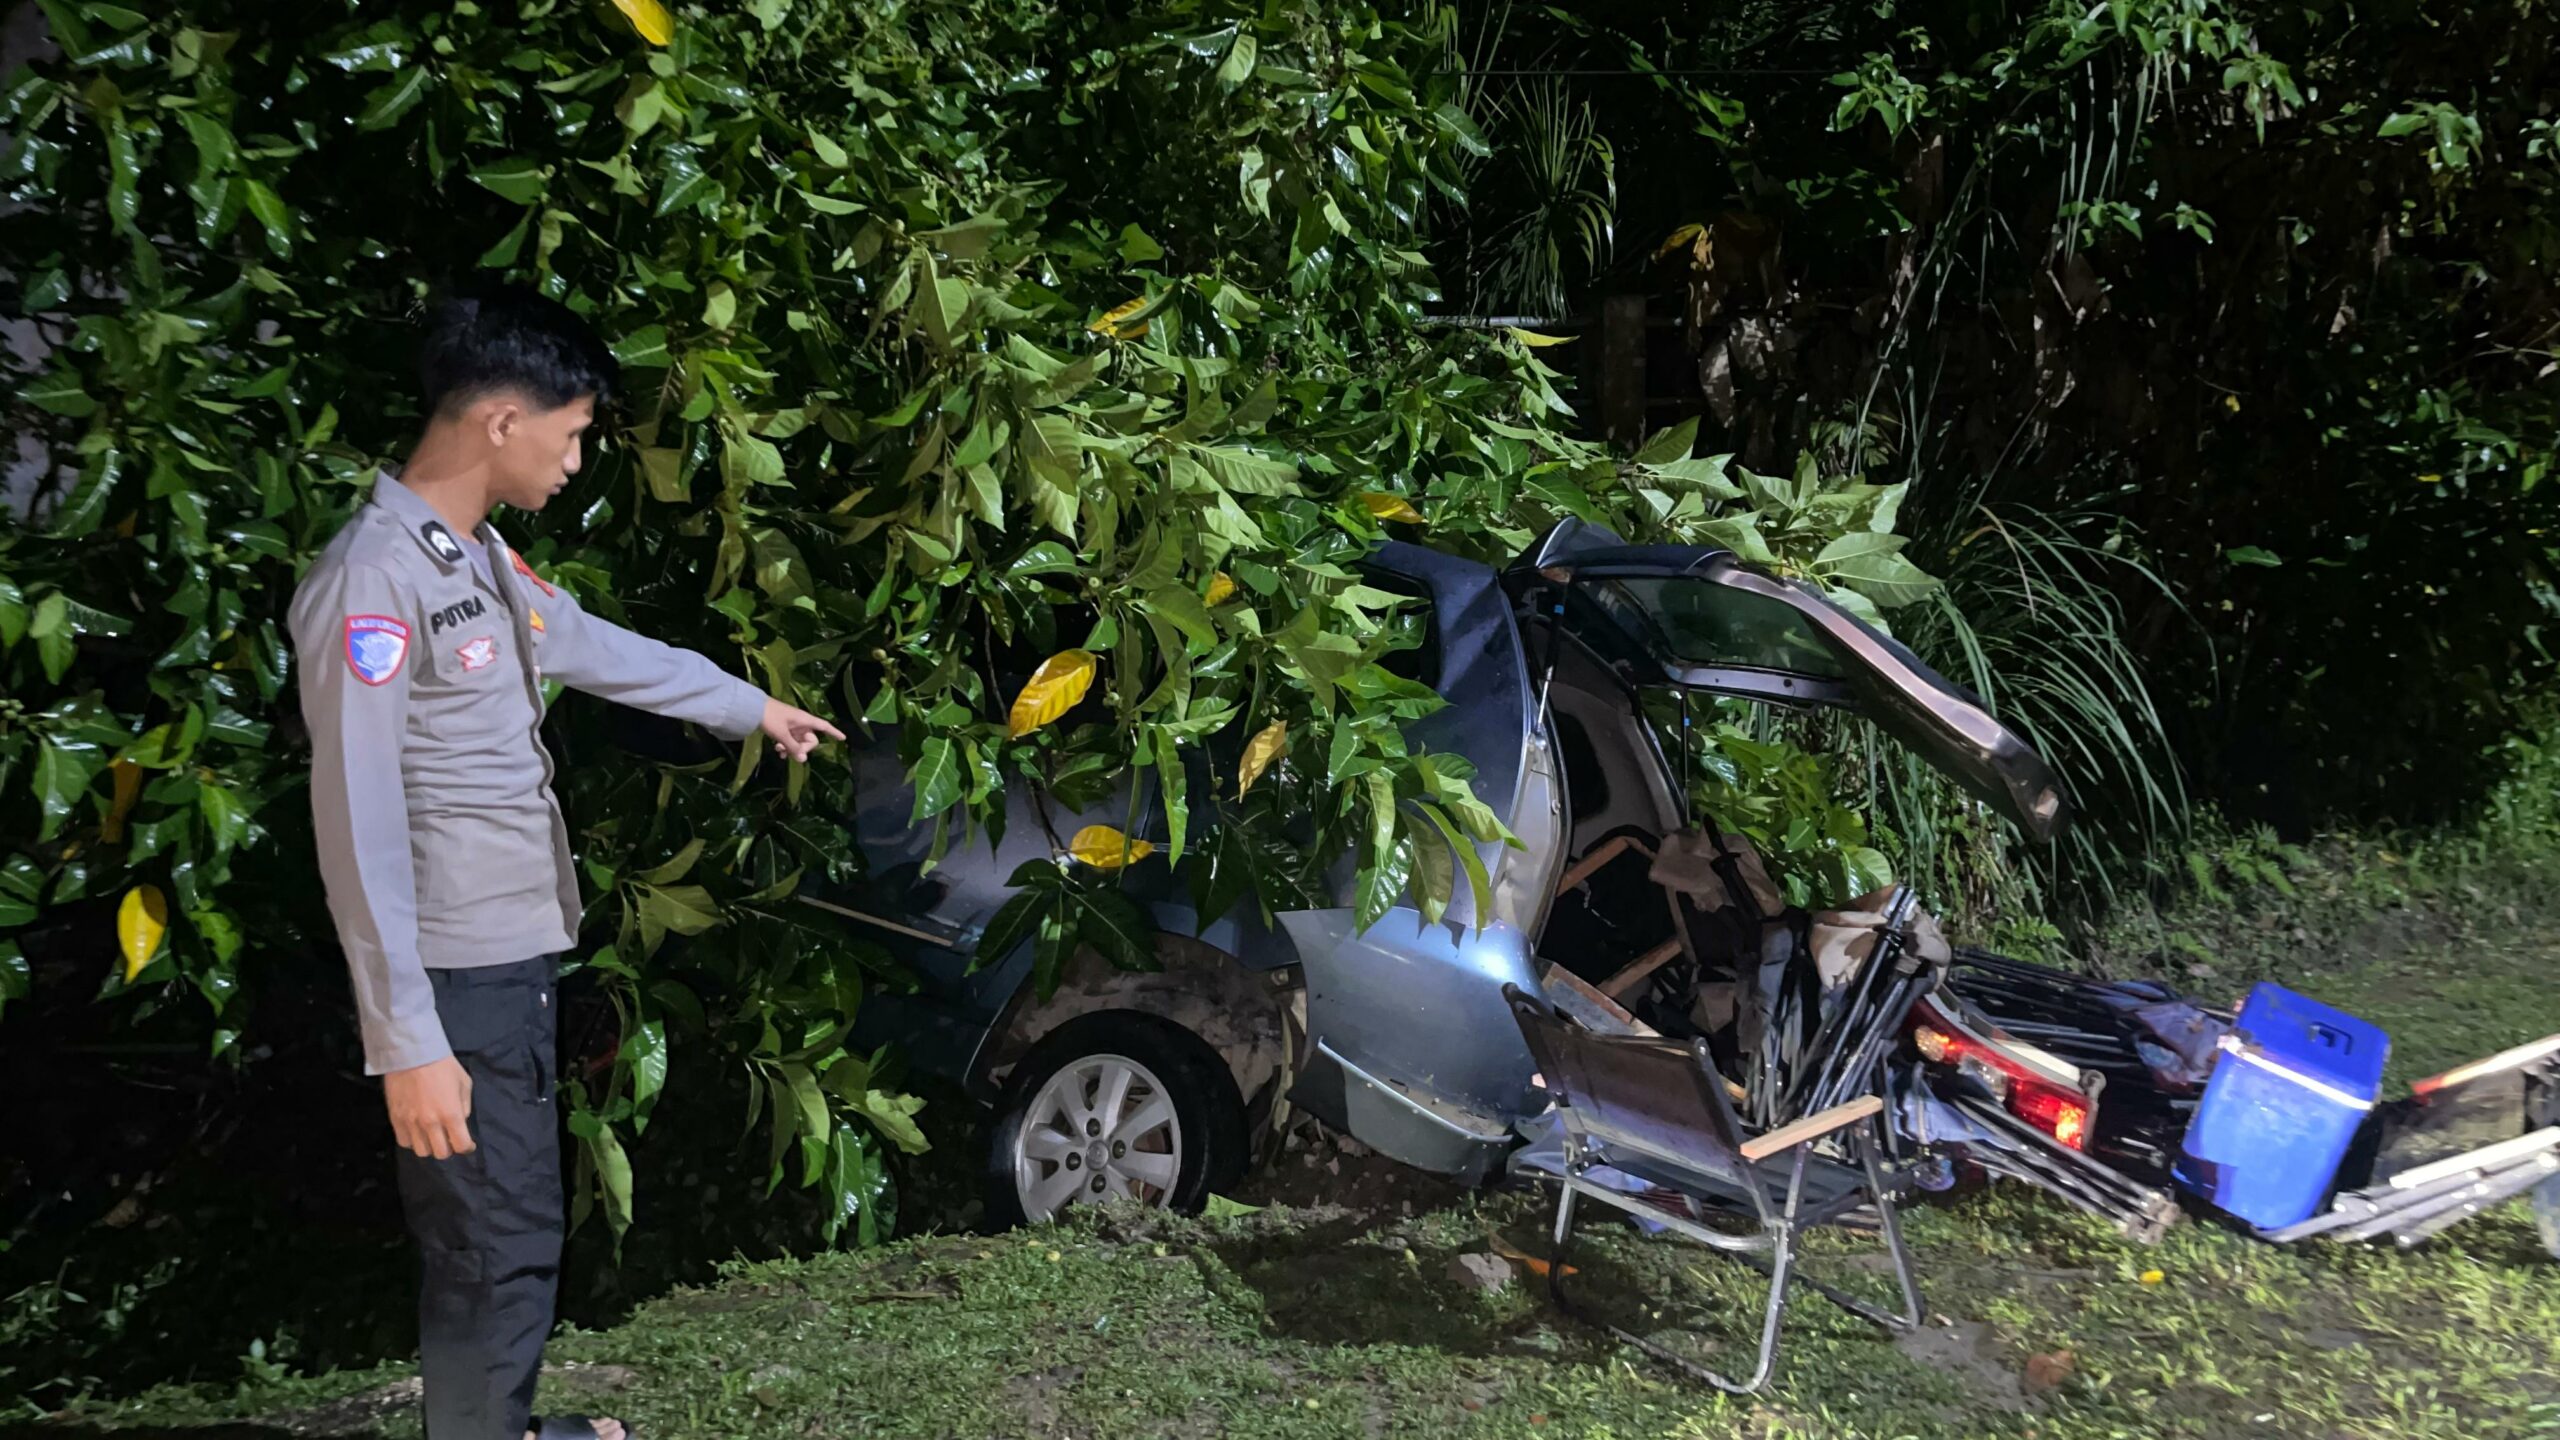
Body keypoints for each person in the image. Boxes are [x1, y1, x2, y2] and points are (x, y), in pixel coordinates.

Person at [287, 287, 844, 1440]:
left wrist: (752, 708)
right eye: (576, 431)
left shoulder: (473, 557)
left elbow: (590, 646)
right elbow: (357, 817)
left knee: (510, 1229)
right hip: (451, 978)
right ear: (501, 420)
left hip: (502, 961)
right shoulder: (374, 583)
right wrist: (407, 1041)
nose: (580, 458)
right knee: (490, 1243)